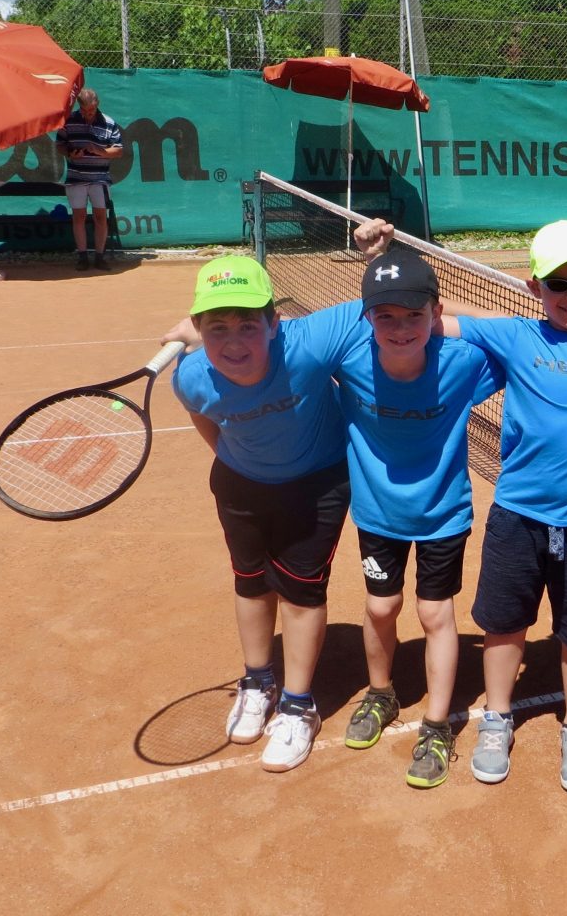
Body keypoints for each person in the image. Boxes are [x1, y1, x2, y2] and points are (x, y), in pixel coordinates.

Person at [359, 218, 567, 794]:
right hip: (518, 515)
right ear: (534, 288)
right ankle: (496, 717)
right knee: (505, 625)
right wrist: (386, 259)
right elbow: (427, 319)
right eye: (558, 285)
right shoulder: (516, 336)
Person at [171, 255, 360, 774]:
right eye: (217, 328)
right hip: (238, 482)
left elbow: (398, 305)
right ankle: (258, 680)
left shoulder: (311, 343)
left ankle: (299, 704)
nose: (234, 342)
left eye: (248, 326)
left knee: (301, 589)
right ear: (199, 330)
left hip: (318, 481)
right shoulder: (190, 377)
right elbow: (205, 421)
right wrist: (239, 463)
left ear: (275, 324)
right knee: (251, 582)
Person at [336, 248, 502, 788]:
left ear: (435, 314)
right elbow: (278, 341)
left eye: (414, 316)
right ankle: (380, 693)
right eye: (386, 316)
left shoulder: (463, 362)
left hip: (443, 515)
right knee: (381, 605)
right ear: (366, 317)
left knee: (435, 615)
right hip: (377, 512)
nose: (400, 328)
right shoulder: (348, 360)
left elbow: (526, 337)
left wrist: (446, 318)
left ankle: (436, 724)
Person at [55, 88, 123, 271]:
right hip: (76, 178)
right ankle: (83, 257)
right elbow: (60, 145)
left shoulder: (109, 123)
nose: (87, 114)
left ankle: (100, 257)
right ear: (79, 107)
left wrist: (98, 150)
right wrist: (71, 153)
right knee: (79, 216)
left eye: (91, 111)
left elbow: (118, 151)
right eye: (84, 111)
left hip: (100, 179)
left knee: (101, 216)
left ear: (97, 105)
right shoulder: (69, 120)